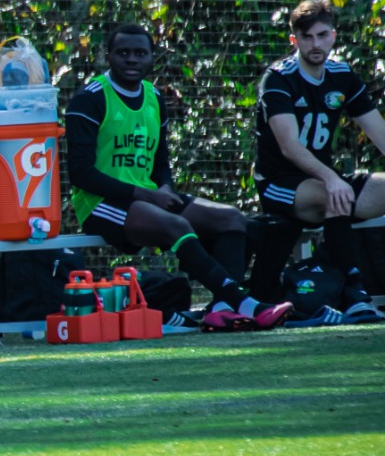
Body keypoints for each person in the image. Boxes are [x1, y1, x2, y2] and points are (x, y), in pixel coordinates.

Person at [66, 23, 292, 330]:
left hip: (146, 196)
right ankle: (247, 304)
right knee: (177, 225)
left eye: (140, 53)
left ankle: (222, 309)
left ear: (151, 58)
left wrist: (164, 189)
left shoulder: (154, 97)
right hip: (100, 204)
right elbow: (80, 174)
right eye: (123, 53)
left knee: (231, 218)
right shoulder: (89, 98)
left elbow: (160, 162)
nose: (131, 59)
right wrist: (150, 196)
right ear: (108, 56)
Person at [245, 0, 385, 322]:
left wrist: (332, 179)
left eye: (322, 35)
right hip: (281, 185)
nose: (315, 43)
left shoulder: (341, 75)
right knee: (333, 194)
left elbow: (378, 132)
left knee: (339, 193)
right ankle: (354, 291)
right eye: (306, 37)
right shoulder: (278, 79)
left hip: (324, 179)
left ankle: (329, 267)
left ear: (333, 36)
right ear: (294, 40)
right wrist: (332, 178)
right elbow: (290, 147)